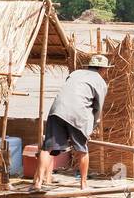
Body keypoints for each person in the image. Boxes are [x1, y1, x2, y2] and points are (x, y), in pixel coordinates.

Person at [32, 54, 109, 190]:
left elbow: (70, 91)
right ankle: (84, 184)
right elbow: (97, 109)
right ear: (103, 69)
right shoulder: (101, 82)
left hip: (56, 110)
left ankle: (38, 183)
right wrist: (91, 128)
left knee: (47, 148)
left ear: (90, 66)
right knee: (82, 149)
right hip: (78, 113)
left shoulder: (75, 73)